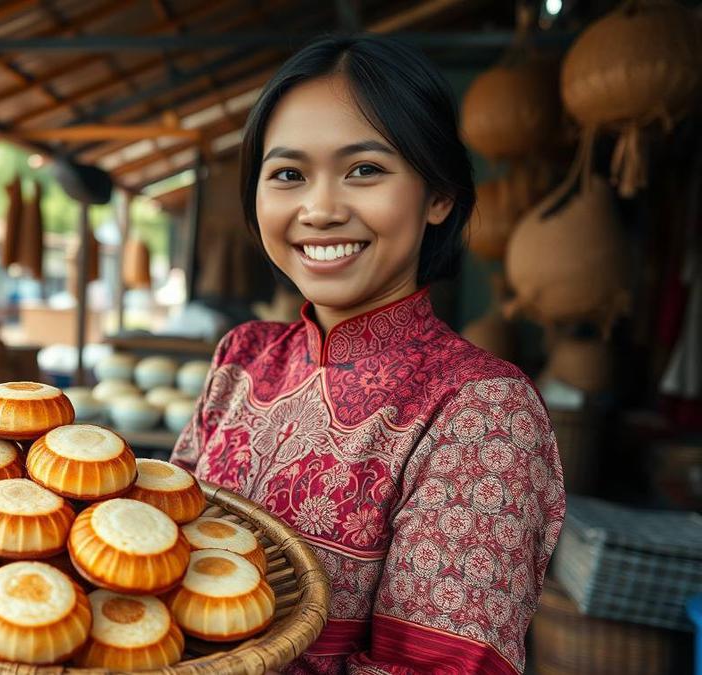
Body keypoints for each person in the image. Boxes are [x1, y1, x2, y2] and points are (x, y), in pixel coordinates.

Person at [171, 35, 564, 674]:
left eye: (364, 170)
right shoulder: (242, 359)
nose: (321, 210)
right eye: (288, 175)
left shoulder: (482, 409)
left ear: (438, 195)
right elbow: (154, 560)